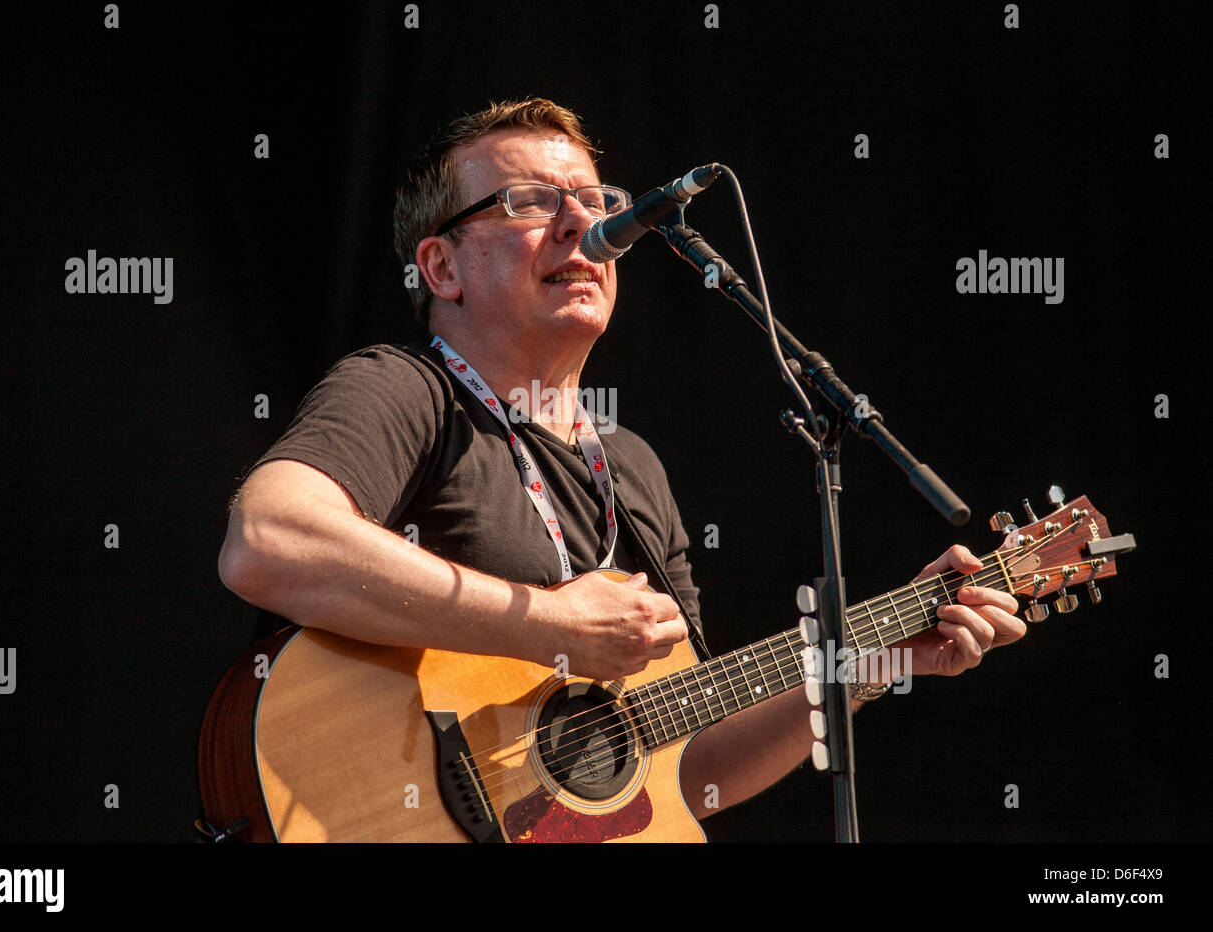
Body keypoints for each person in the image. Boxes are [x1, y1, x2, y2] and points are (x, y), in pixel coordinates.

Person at [217, 98, 1027, 826]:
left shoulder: (632, 470)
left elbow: (695, 771)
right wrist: (550, 625)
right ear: (442, 267)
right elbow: (270, 540)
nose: (581, 223)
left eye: (597, 202)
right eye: (530, 201)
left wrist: (870, 662)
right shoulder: (405, 390)